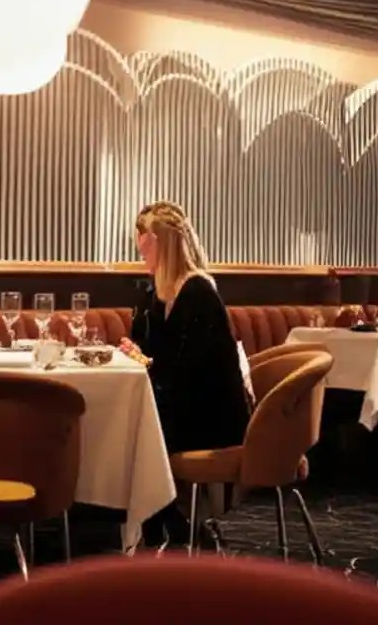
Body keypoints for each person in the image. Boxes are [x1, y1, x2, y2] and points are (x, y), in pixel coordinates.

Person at [120, 201, 250, 545]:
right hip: (187, 408)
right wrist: (140, 352)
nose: (138, 247)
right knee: (132, 423)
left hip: (212, 420)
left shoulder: (197, 292)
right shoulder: (167, 292)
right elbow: (159, 358)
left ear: (159, 242)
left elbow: (189, 375)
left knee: (132, 428)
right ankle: (159, 522)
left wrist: (145, 361)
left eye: (142, 239)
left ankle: (161, 524)